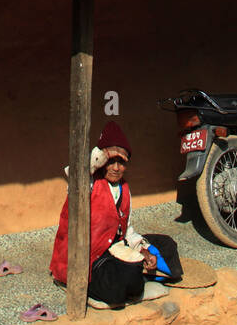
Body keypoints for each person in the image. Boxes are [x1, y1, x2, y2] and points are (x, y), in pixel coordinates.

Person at [49, 122, 183, 308]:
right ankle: (135, 282)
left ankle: (142, 275)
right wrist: (102, 153)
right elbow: (74, 171)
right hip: (89, 258)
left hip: (115, 248)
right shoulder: (87, 182)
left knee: (165, 245)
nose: (116, 168)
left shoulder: (124, 189)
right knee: (121, 278)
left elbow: (126, 230)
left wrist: (143, 252)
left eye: (122, 162)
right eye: (111, 161)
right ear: (102, 161)